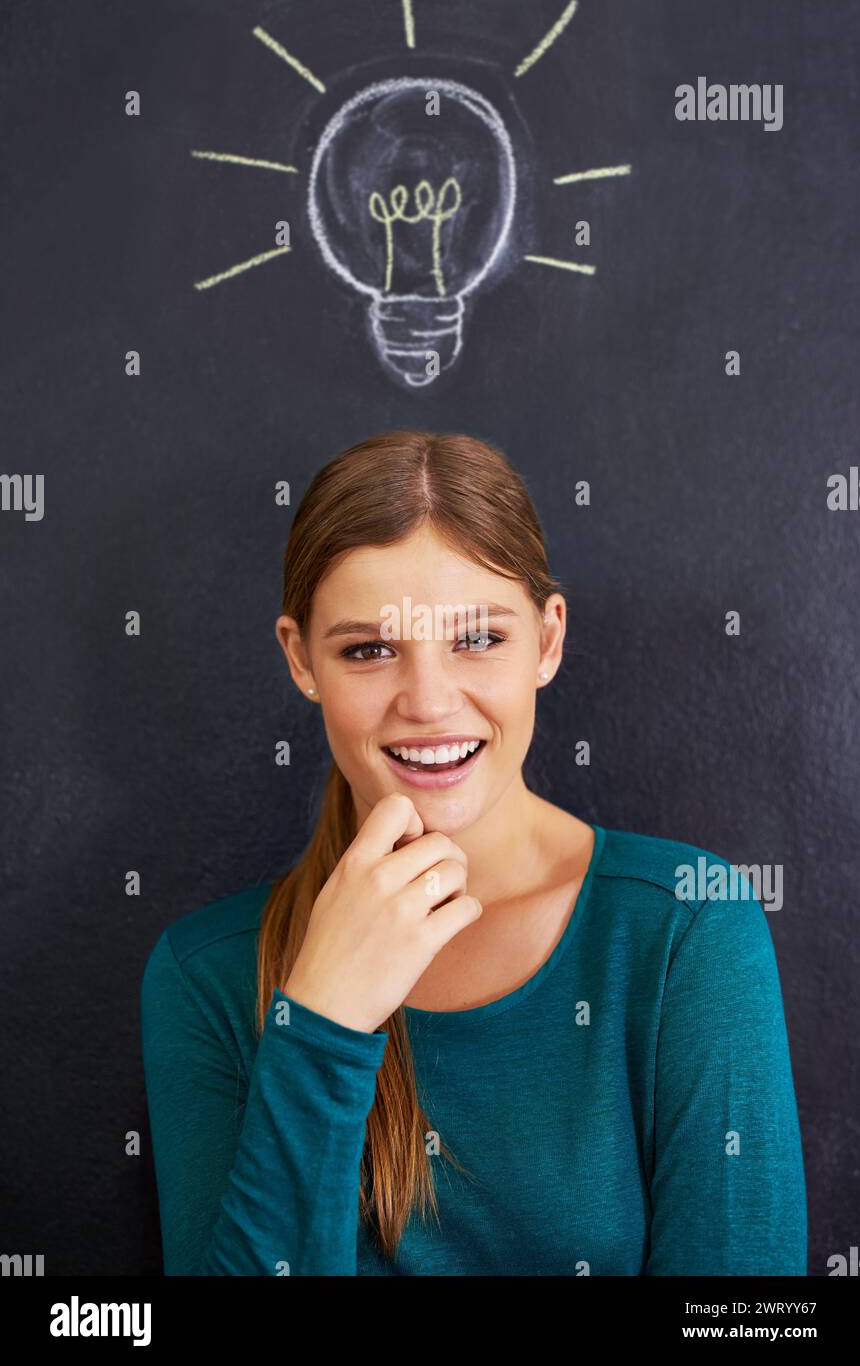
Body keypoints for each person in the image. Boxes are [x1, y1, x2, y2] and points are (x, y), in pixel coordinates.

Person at [140, 427, 808, 1276]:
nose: (427, 702)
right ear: (300, 658)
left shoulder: (685, 928)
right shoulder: (203, 978)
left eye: (478, 639)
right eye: (369, 650)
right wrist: (322, 1020)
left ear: (548, 640)